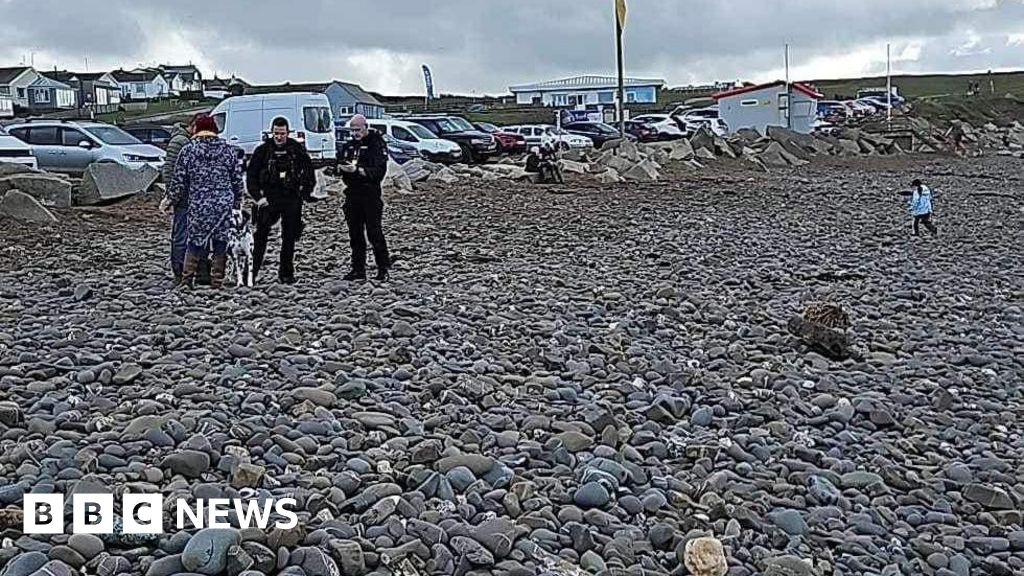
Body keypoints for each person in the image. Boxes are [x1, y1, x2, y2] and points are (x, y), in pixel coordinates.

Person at [166, 114, 244, 288]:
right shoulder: (227, 150)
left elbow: (179, 180)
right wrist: (238, 201)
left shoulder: (188, 150)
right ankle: (217, 281)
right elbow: (237, 179)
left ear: (197, 129)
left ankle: (187, 280)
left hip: (199, 204)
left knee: (194, 241)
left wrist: (170, 199)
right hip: (223, 204)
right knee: (220, 242)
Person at [246, 117, 317, 285]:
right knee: (260, 236)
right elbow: (251, 177)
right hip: (268, 199)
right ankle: (252, 272)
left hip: (291, 197)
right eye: (276, 133)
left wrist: (305, 192)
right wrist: (258, 197)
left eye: (282, 134)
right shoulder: (262, 151)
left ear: (288, 132)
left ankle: (286, 273)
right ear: (272, 132)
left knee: (289, 237)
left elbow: (309, 172)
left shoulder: (295, 149)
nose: (279, 137)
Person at [338, 114, 391, 282]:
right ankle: (358, 269)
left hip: (370, 194)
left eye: (358, 130)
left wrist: (359, 171)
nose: (355, 133)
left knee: (374, 232)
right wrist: (340, 168)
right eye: (352, 130)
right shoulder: (349, 145)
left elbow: (379, 171)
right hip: (352, 193)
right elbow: (340, 161)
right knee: (355, 234)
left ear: (365, 127)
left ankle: (383, 269)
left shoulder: (376, 144)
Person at [160, 115, 202, 284]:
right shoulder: (181, 142)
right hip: (184, 196)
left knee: (186, 234)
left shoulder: (182, 141)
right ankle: (180, 271)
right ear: (192, 127)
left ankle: (188, 270)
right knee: (181, 235)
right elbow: (172, 171)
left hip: (188, 195)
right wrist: (172, 196)